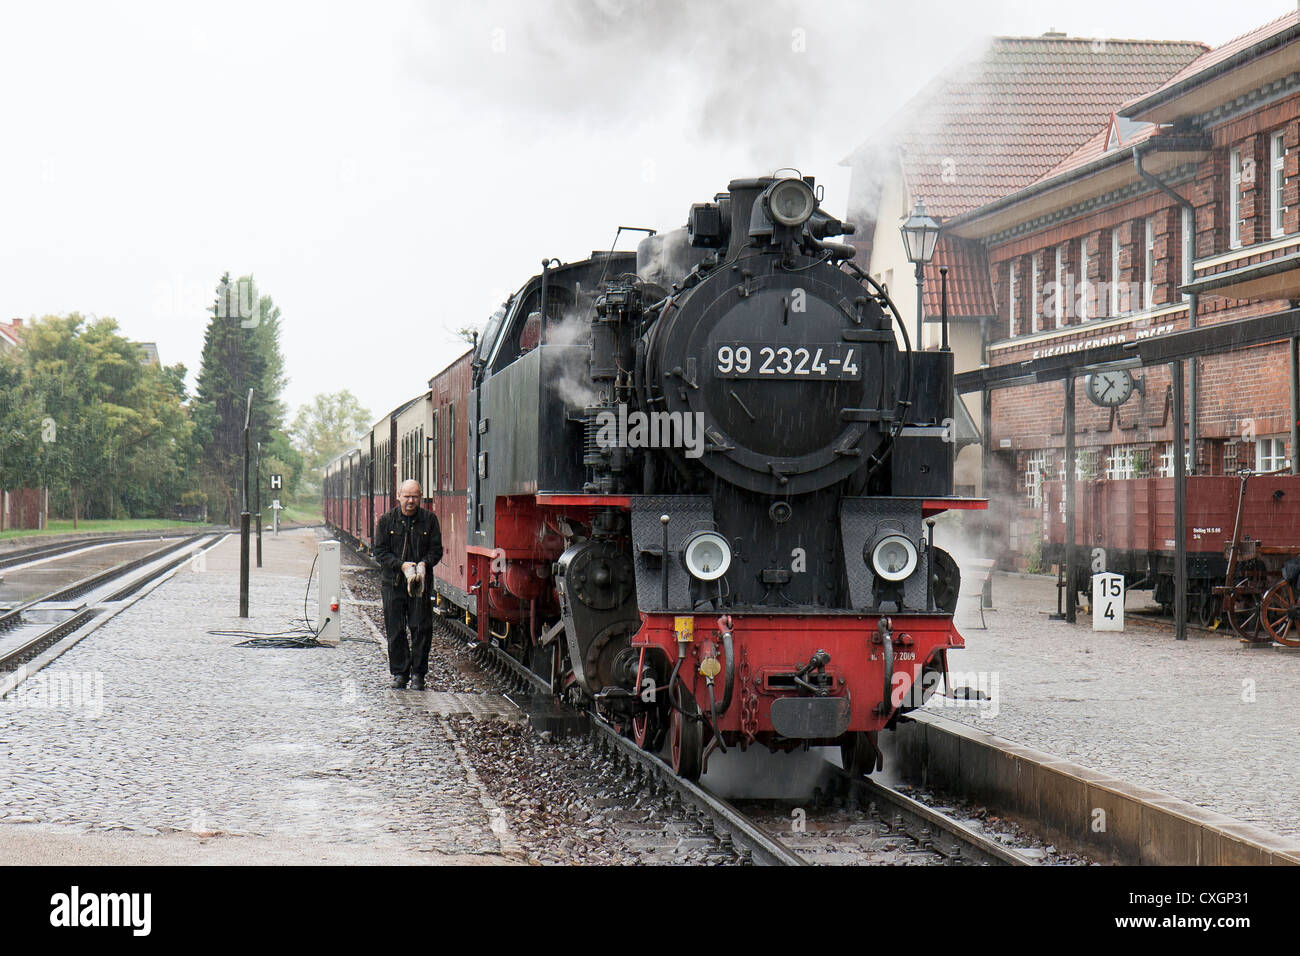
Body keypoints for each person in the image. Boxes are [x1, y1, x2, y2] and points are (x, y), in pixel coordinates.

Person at [372, 479, 443, 690]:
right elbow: (380, 552)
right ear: (399, 496)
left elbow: (436, 550)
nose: (410, 501)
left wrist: (423, 564)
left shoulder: (429, 520)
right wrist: (401, 566)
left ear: (420, 497)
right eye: (407, 496)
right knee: (396, 630)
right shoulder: (386, 521)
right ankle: (400, 673)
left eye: (414, 497)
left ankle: (419, 675)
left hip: (419, 585)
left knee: (421, 629)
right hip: (393, 583)